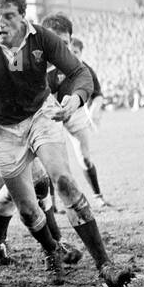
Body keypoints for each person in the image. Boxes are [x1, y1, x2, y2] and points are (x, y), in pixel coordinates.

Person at [0, 0, 134, 287]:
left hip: (40, 115)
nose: (1, 23)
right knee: (29, 212)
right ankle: (51, 249)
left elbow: (80, 73)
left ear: (23, 16)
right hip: (1, 130)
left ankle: (104, 264)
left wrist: (76, 98)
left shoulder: (42, 38)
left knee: (64, 181)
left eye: (8, 16)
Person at [40, 15, 108, 208]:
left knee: (84, 157)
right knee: (51, 163)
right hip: (49, 115)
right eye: (55, 42)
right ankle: (51, 205)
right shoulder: (34, 64)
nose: (62, 48)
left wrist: (94, 110)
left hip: (75, 113)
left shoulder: (81, 67)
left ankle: (98, 196)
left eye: (66, 44)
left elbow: (95, 92)